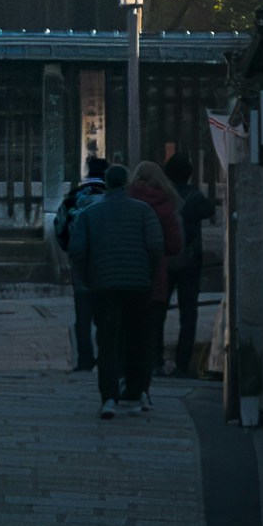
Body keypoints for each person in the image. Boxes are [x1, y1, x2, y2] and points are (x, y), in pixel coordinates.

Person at [70, 157, 170, 408]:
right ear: (126, 183)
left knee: (107, 339)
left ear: (106, 183)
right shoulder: (143, 211)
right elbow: (156, 246)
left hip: (104, 284)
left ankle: (109, 395)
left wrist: (88, 277)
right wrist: (145, 271)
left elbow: (77, 250)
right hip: (137, 284)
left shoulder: (90, 213)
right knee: (138, 337)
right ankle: (136, 391)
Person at [161, 145, 215, 382]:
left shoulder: (163, 196)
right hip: (191, 261)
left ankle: (156, 360)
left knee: (158, 312)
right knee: (188, 315)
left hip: (164, 259)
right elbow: (209, 210)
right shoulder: (195, 197)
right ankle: (183, 363)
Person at [49, 154, 105, 373]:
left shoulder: (72, 197)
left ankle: (84, 359)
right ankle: (106, 355)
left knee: (83, 314)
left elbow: (59, 227)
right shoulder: (110, 197)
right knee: (105, 311)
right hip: (105, 261)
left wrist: (70, 249)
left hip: (80, 260)